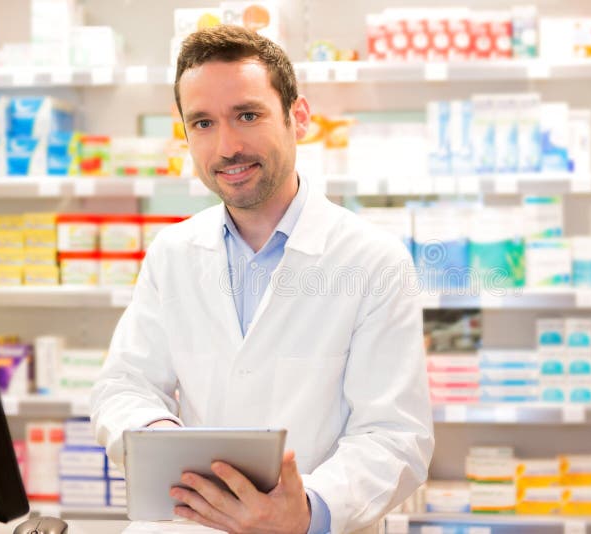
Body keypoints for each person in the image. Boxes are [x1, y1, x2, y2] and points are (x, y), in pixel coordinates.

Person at [89, 25, 434, 534]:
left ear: (298, 118)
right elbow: (124, 385)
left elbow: (394, 436)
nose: (227, 146)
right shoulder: (173, 253)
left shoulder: (373, 261)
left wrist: (309, 509)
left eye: (247, 115)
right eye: (203, 123)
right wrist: (161, 436)